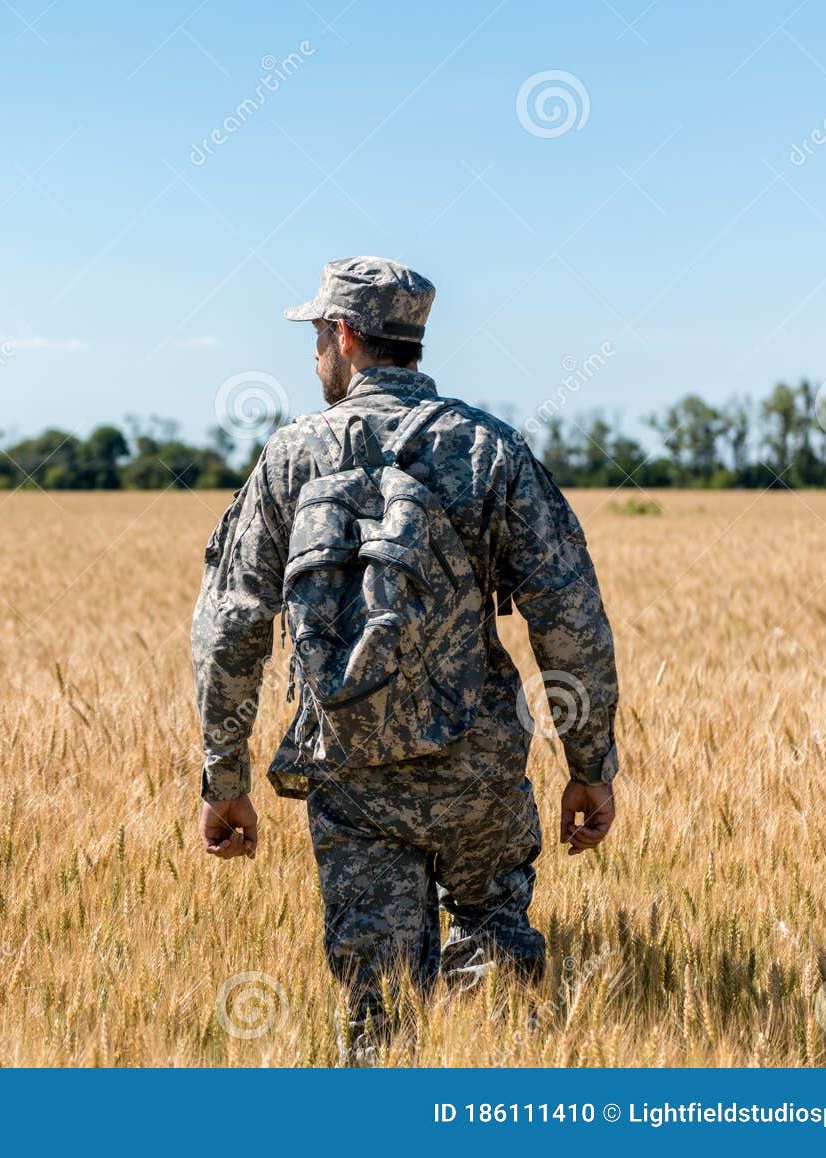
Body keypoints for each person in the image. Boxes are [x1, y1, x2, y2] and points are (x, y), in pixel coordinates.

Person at [191, 256, 620, 1061]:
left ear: (345, 336)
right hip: (479, 770)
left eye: (319, 332)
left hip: (352, 781)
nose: (316, 349)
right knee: (496, 965)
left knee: (378, 1003)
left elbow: (231, 626)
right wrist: (590, 764)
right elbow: (569, 618)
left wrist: (224, 779)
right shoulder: (489, 451)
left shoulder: (290, 458)